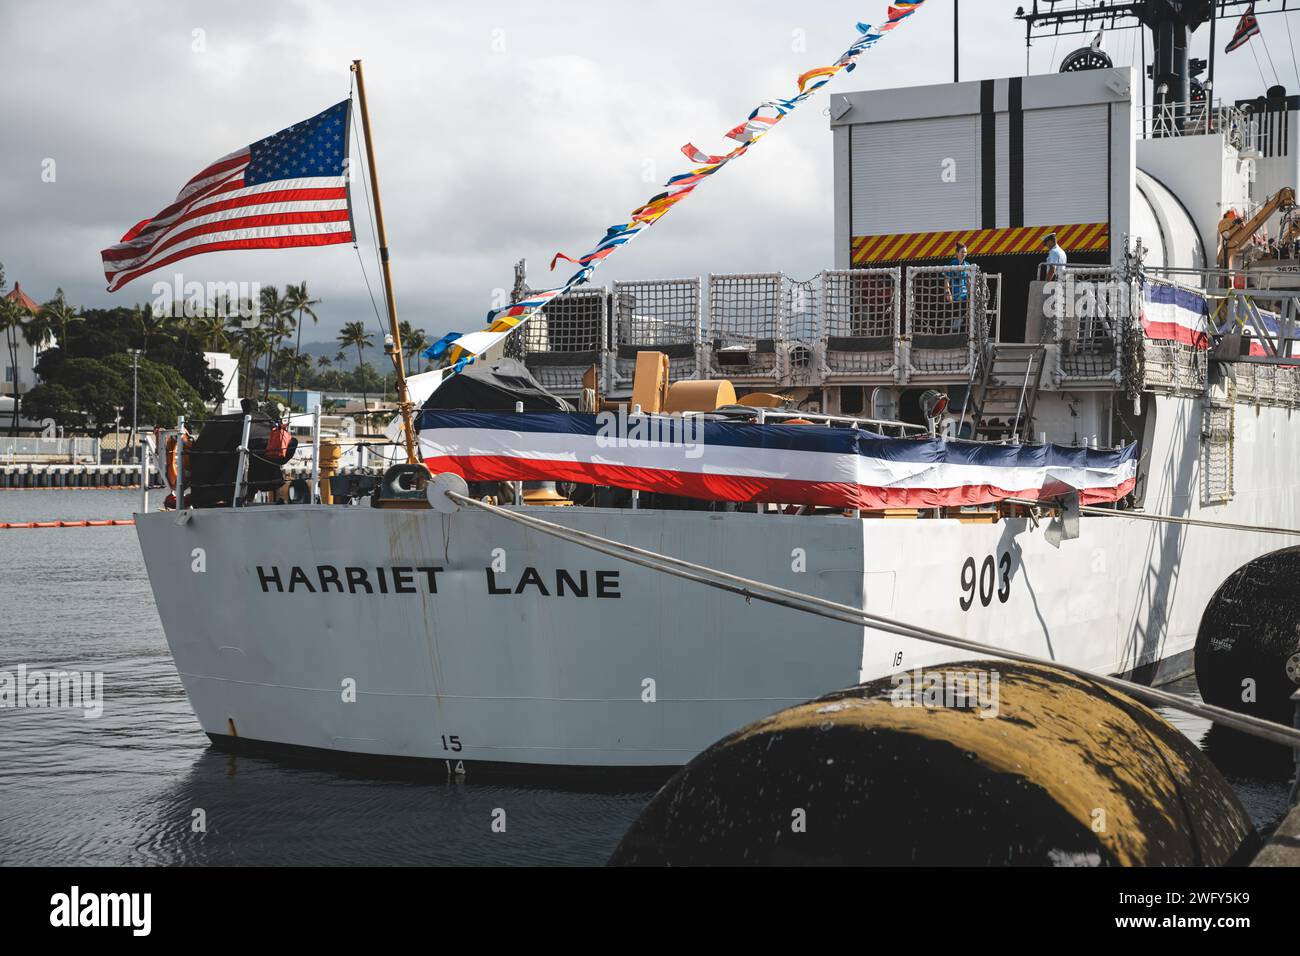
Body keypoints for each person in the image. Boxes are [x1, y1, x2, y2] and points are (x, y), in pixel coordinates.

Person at [943, 241, 971, 333]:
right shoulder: (953, 264)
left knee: (963, 318)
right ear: (957, 253)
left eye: (965, 252)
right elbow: (947, 279)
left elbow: (968, 282)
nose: (964, 254)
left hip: (963, 297)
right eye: (962, 252)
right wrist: (948, 292)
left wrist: (970, 294)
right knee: (951, 317)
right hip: (954, 297)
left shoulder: (967, 265)